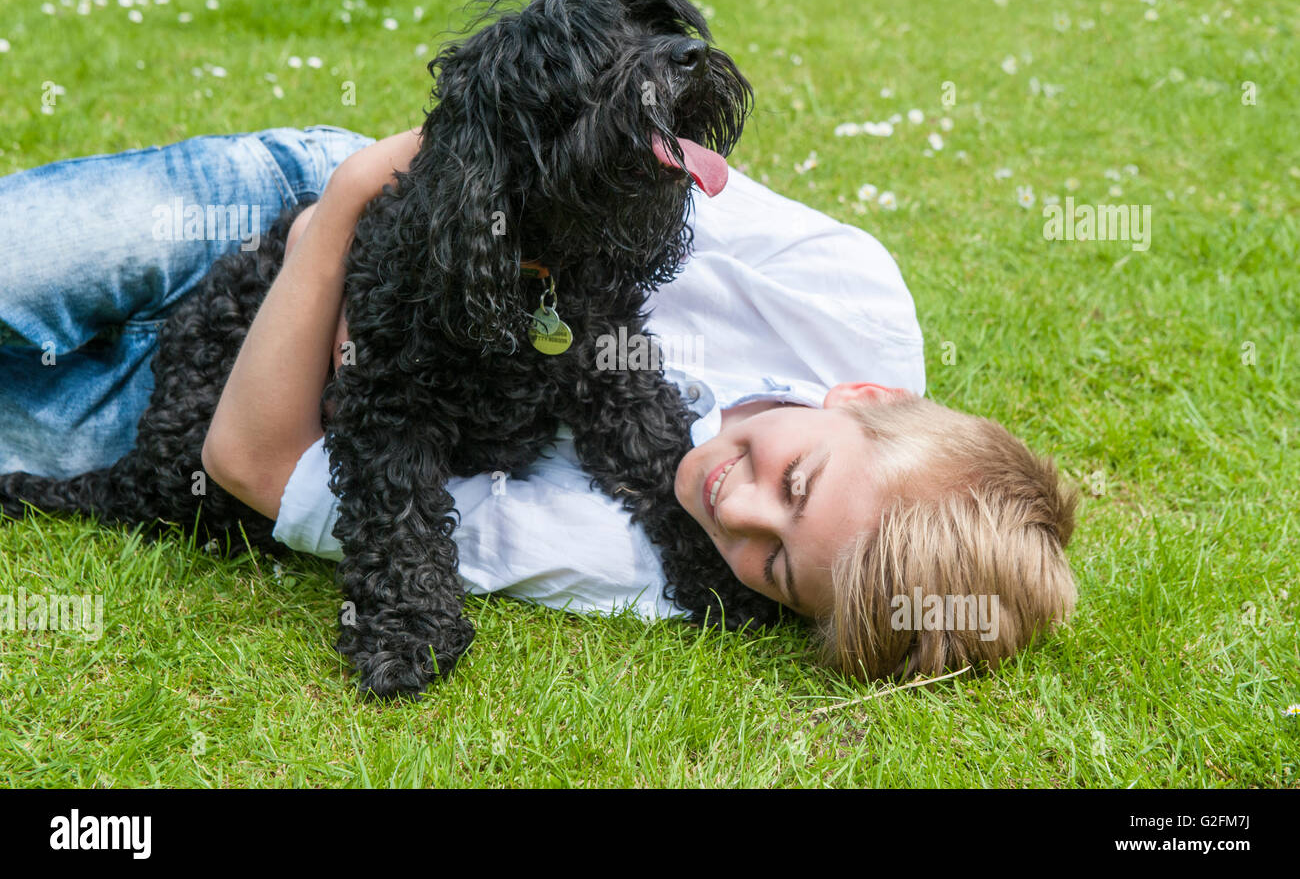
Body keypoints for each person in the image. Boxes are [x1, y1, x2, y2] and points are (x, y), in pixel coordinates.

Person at [0, 124, 1078, 683]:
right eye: (796, 479)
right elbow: (594, 137)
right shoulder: (847, 292)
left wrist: (321, 251)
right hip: (323, 196)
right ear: (864, 395)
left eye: (777, 568)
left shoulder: (643, 568)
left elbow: (254, 464)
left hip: (214, 399)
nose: (732, 507)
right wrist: (349, 203)